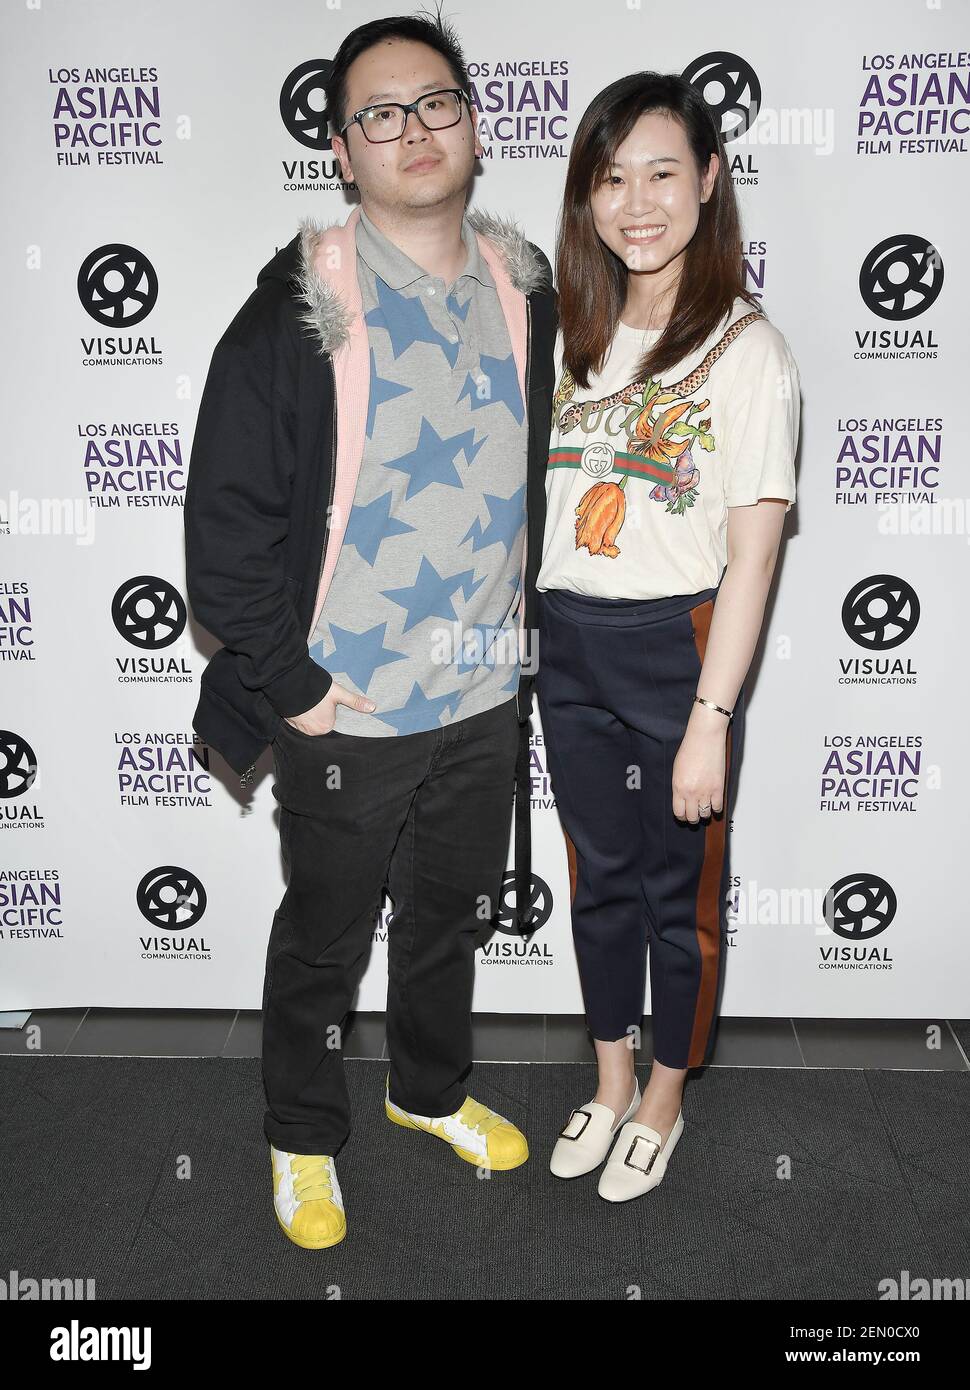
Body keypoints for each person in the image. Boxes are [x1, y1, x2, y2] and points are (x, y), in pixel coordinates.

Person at [183, 9, 557, 1248]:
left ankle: (426, 1092)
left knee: (443, 922)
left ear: (473, 122)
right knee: (323, 940)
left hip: (483, 695)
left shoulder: (524, 288)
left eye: (435, 102)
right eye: (379, 113)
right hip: (348, 706)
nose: (412, 129)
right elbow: (225, 524)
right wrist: (289, 685)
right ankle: (300, 1132)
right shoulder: (296, 306)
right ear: (343, 149)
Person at [537, 72, 800, 1202]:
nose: (635, 202)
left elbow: (754, 556)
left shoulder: (748, 350)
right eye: (610, 177)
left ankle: (665, 1093)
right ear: (586, 195)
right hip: (566, 640)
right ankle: (607, 1077)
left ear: (706, 178)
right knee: (596, 877)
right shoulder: (571, 332)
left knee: (674, 894)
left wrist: (710, 719)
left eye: (659, 171)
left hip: (674, 649)